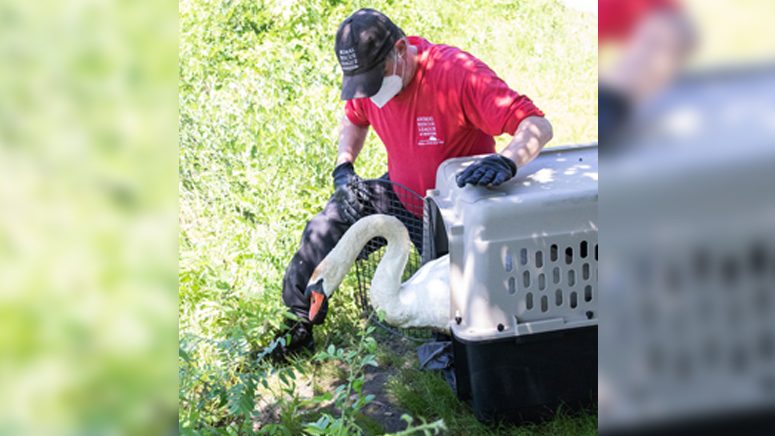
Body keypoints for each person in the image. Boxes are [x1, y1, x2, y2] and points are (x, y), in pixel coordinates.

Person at [271, 8, 553, 360]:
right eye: (363, 85)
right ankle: (297, 326)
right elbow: (354, 121)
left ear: (401, 50)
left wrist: (506, 160)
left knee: (463, 317)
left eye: (376, 80)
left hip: (455, 207)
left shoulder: (457, 75)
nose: (371, 93)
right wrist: (345, 165)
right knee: (326, 225)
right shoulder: (367, 81)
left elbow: (536, 124)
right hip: (403, 193)